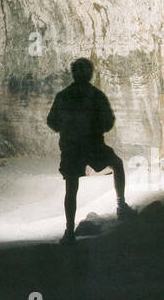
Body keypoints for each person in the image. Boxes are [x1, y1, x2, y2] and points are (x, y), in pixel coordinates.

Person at [47, 57, 133, 244]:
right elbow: (109, 122)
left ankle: (69, 232)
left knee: (71, 188)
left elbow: (51, 122)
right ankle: (121, 206)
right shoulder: (96, 95)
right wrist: (95, 129)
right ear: (90, 73)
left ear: (73, 73)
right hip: (93, 147)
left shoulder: (63, 96)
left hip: (71, 149)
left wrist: (67, 129)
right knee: (116, 164)